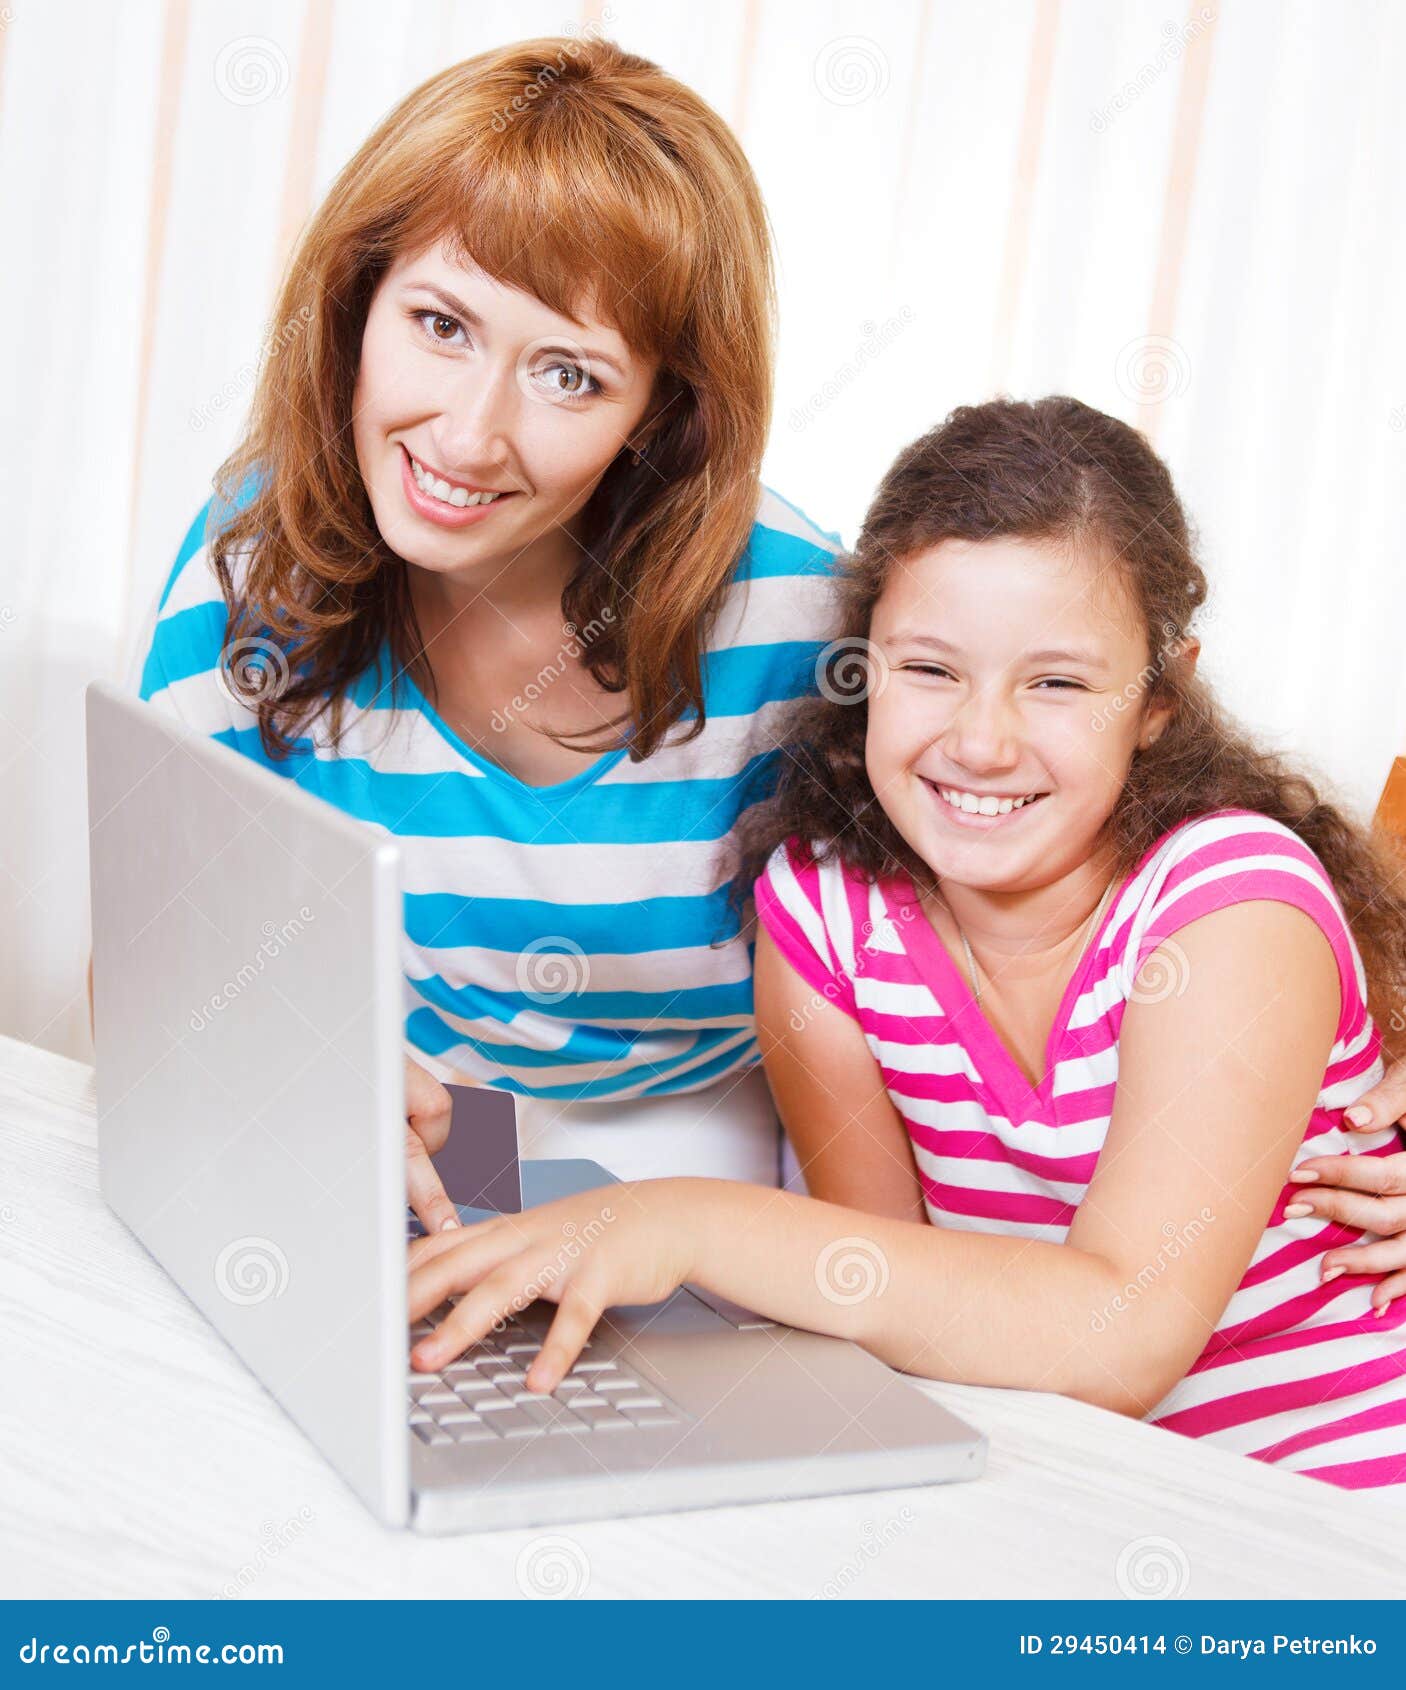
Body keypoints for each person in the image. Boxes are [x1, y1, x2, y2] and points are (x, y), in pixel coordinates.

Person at [406, 397, 1406, 1491]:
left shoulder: (1227, 901)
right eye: (928, 669)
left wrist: (687, 1222)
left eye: (1059, 683)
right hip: (1046, 1490)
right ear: (862, 665)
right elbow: (872, 1293)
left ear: (1157, 695)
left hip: (1328, 1513)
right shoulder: (824, 912)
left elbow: (1121, 1332)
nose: (980, 741)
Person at [116, 37, 841, 1220]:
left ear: (662, 418)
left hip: (690, 1160)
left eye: (569, 375)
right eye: (441, 325)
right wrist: (298, 1065)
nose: (464, 437)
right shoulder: (256, 553)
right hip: (392, 1121)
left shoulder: (798, 623)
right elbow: (153, 953)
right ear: (356, 302)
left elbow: (901, 1024)